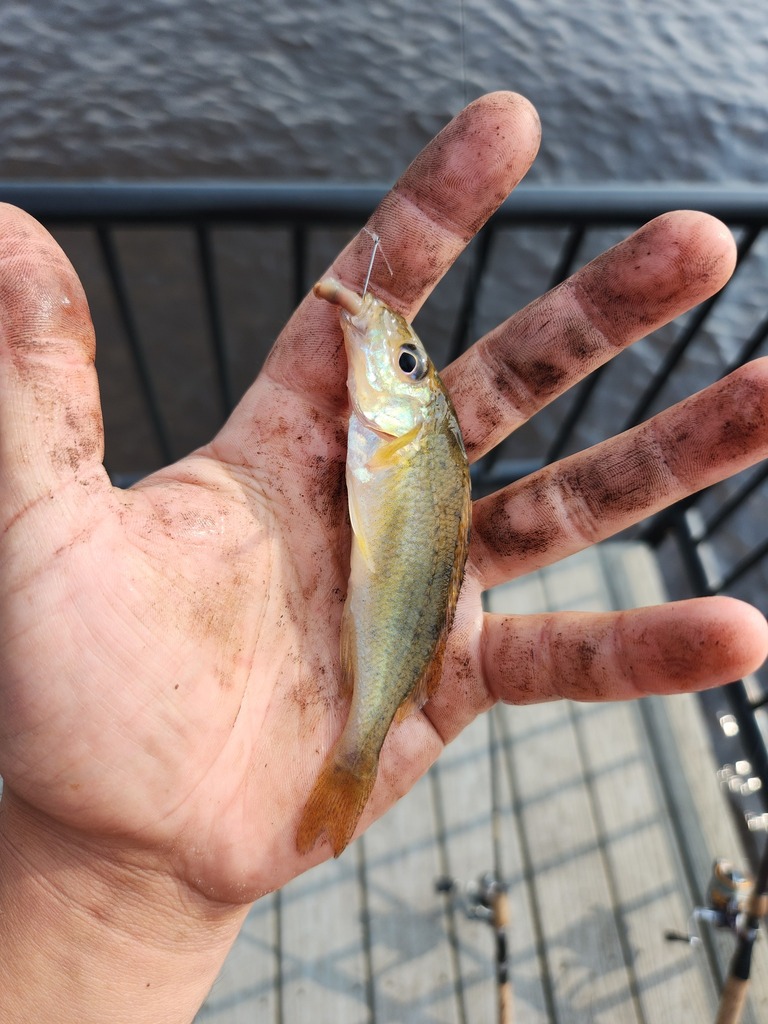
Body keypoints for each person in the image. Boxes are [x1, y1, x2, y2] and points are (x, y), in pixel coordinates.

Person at [0, 91, 766, 1023]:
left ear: (410, 417)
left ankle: (350, 759)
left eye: (406, 374)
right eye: (409, 369)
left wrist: (130, 891)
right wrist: (130, 878)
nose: (396, 367)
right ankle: (350, 755)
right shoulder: (396, 440)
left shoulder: (403, 444)